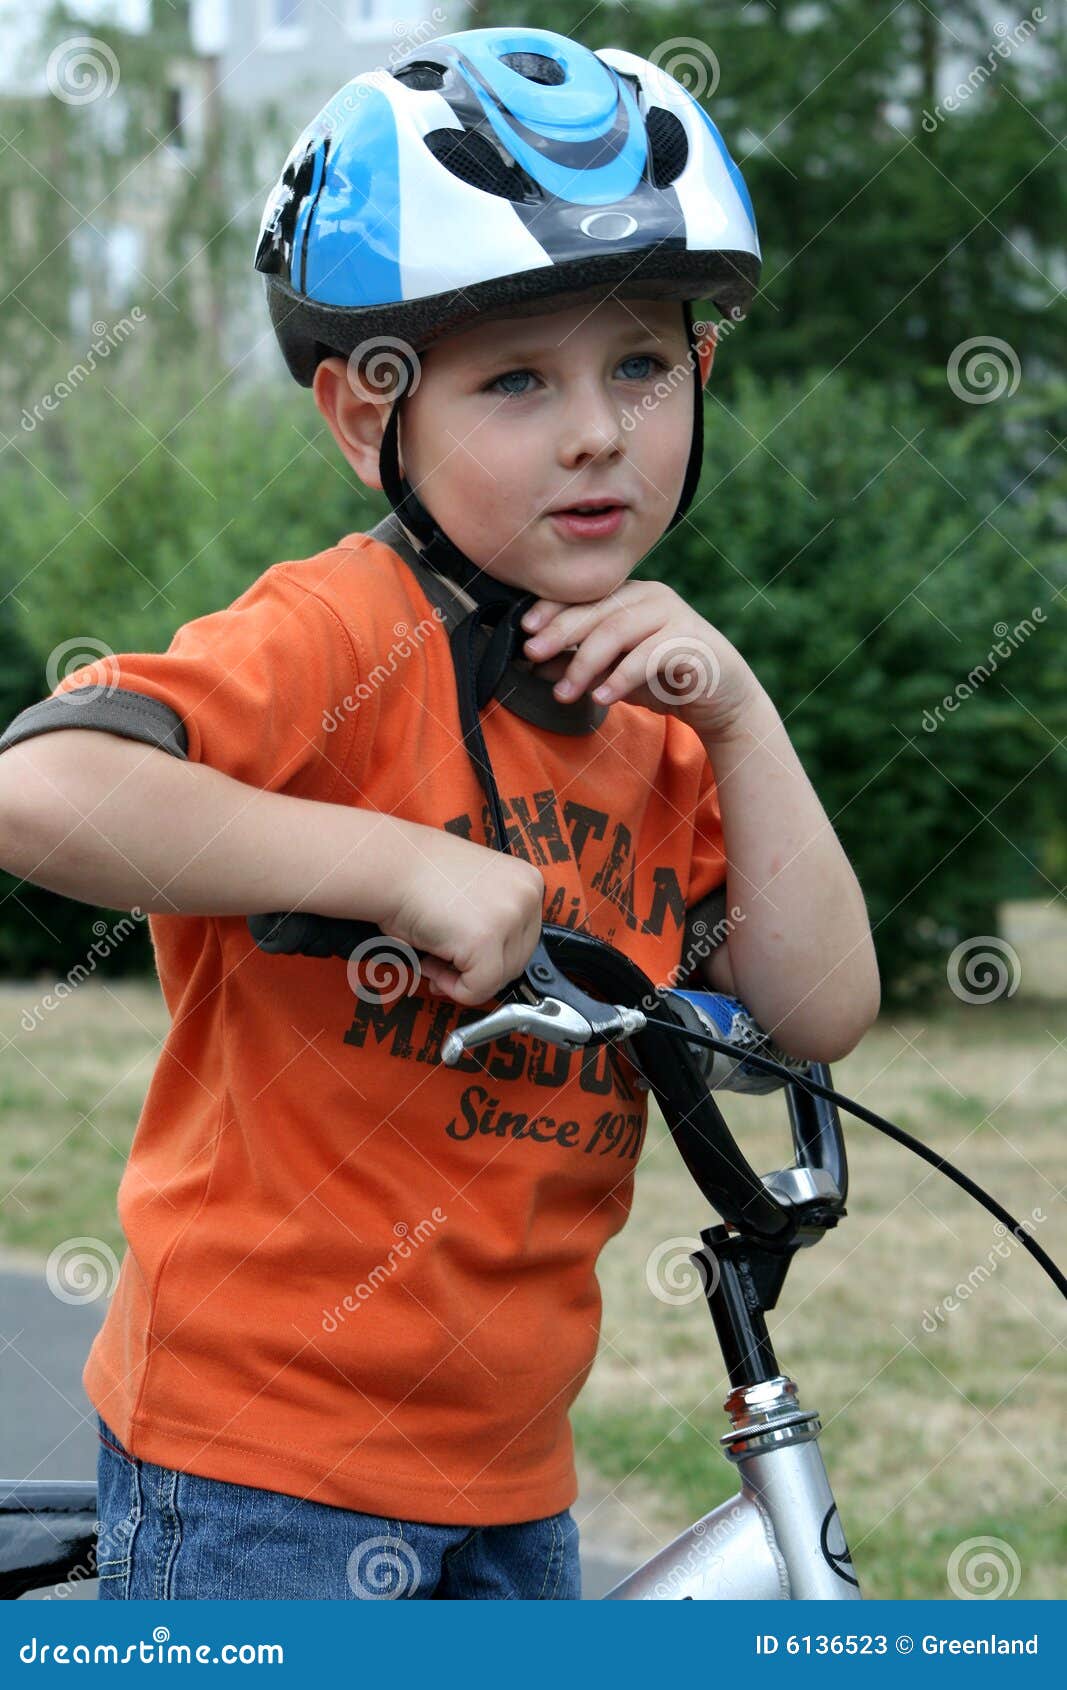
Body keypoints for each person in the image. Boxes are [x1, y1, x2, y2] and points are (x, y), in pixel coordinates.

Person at [0, 27, 879, 1600]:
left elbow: (818, 1009)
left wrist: (742, 718)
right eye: (518, 380)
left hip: (509, 1464)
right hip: (257, 1462)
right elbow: (41, 788)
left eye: (641, 364)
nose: (596, 428)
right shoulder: (338, 634)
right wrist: (403, 867)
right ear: (366, 418)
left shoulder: (665, 724)